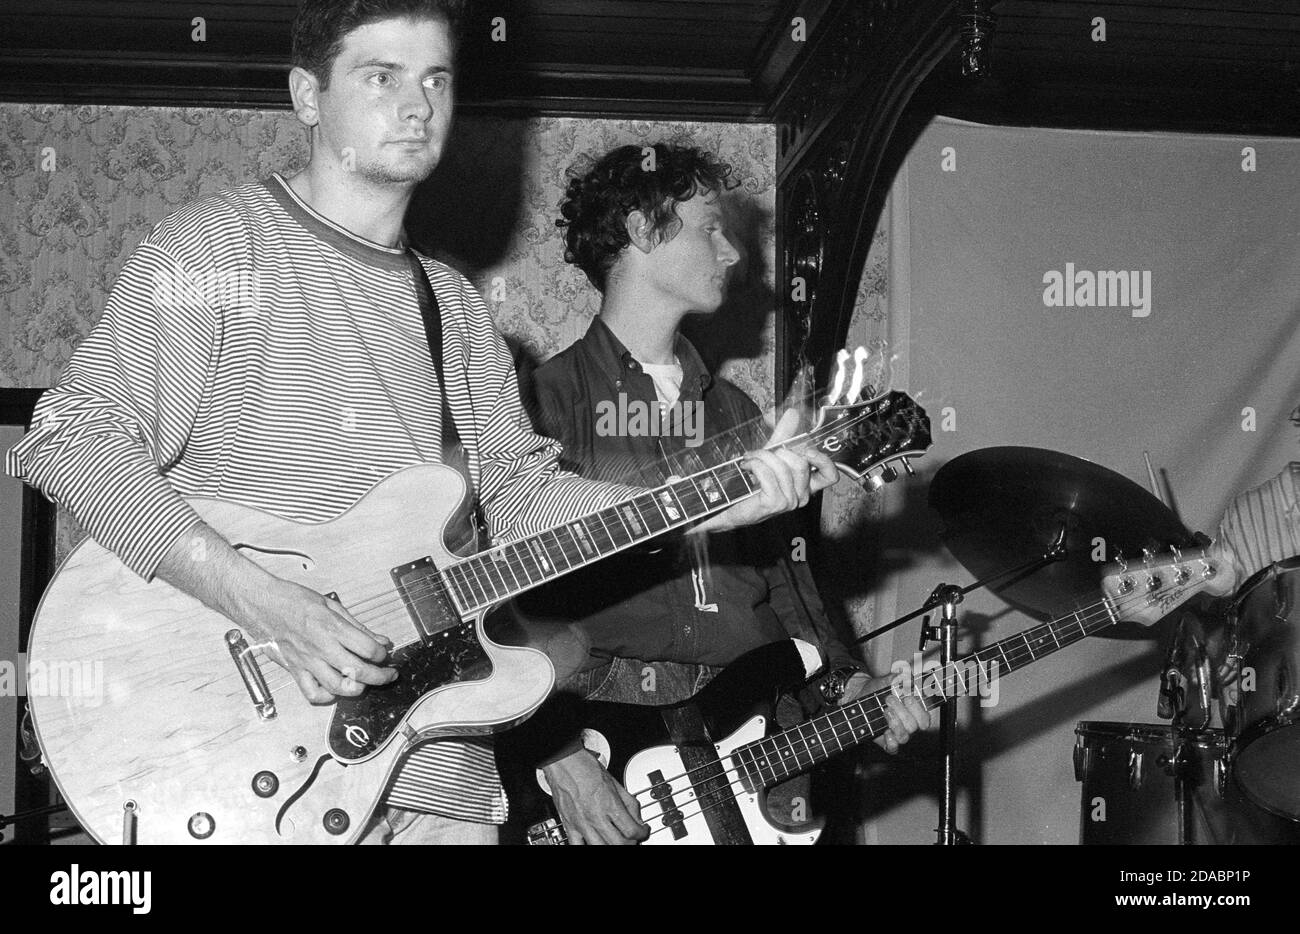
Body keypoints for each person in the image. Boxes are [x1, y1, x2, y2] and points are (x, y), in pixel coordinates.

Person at [7, 3, 834, 845]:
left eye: (436, 78)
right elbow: (72, 438)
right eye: (381, 76)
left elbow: (516, 501)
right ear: (306, 95)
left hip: (448, 770)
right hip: (261, 757)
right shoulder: (219, 252)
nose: (418, 104)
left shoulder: (455, 308)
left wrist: (705, 502)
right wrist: (267, 604)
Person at [507, 143, 931, 845]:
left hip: (749, 752)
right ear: (644, 229)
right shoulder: (539, 405)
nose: (732, 253)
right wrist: (559, 757)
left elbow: (788, 583)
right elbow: (492, 614)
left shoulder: (735, 412)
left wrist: (849, 686)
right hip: (608, 754)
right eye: (709, 226)